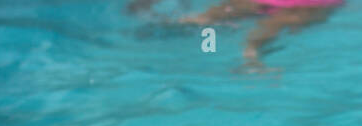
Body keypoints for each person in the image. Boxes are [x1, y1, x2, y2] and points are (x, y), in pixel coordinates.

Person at [128, 0, 344, 72]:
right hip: (310, 5)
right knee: (273, 28)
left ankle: (177, 21)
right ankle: (251, 55)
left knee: (209, 16)